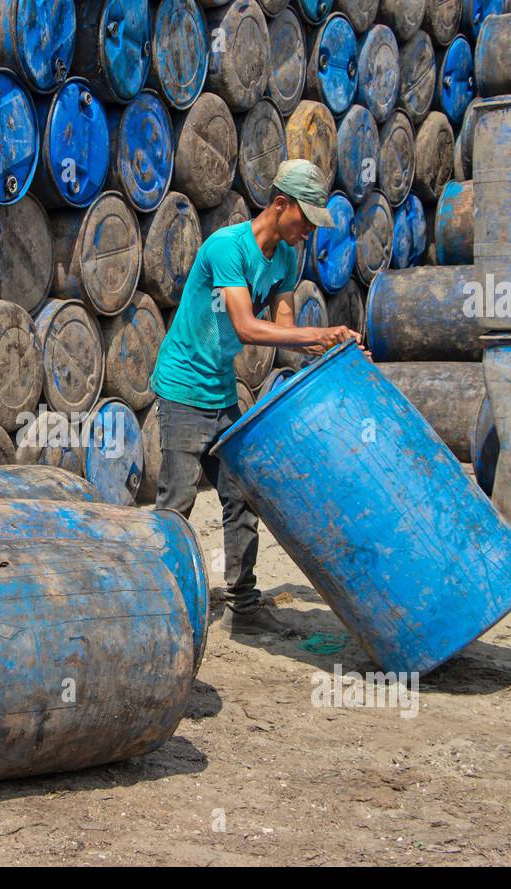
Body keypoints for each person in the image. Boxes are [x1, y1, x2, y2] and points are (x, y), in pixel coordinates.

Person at [149, 159, 364, 640]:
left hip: (221, 386)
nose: (308, 229)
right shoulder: (228, 247)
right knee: (176, 503)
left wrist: (335, 343)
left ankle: (243, 607)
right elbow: (247, 327)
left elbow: (286, 334)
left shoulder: (287, 259)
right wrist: (320, 333)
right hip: (184, 385)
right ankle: (160, 605)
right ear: (280, 204)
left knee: (241, 495)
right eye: (305, 218)